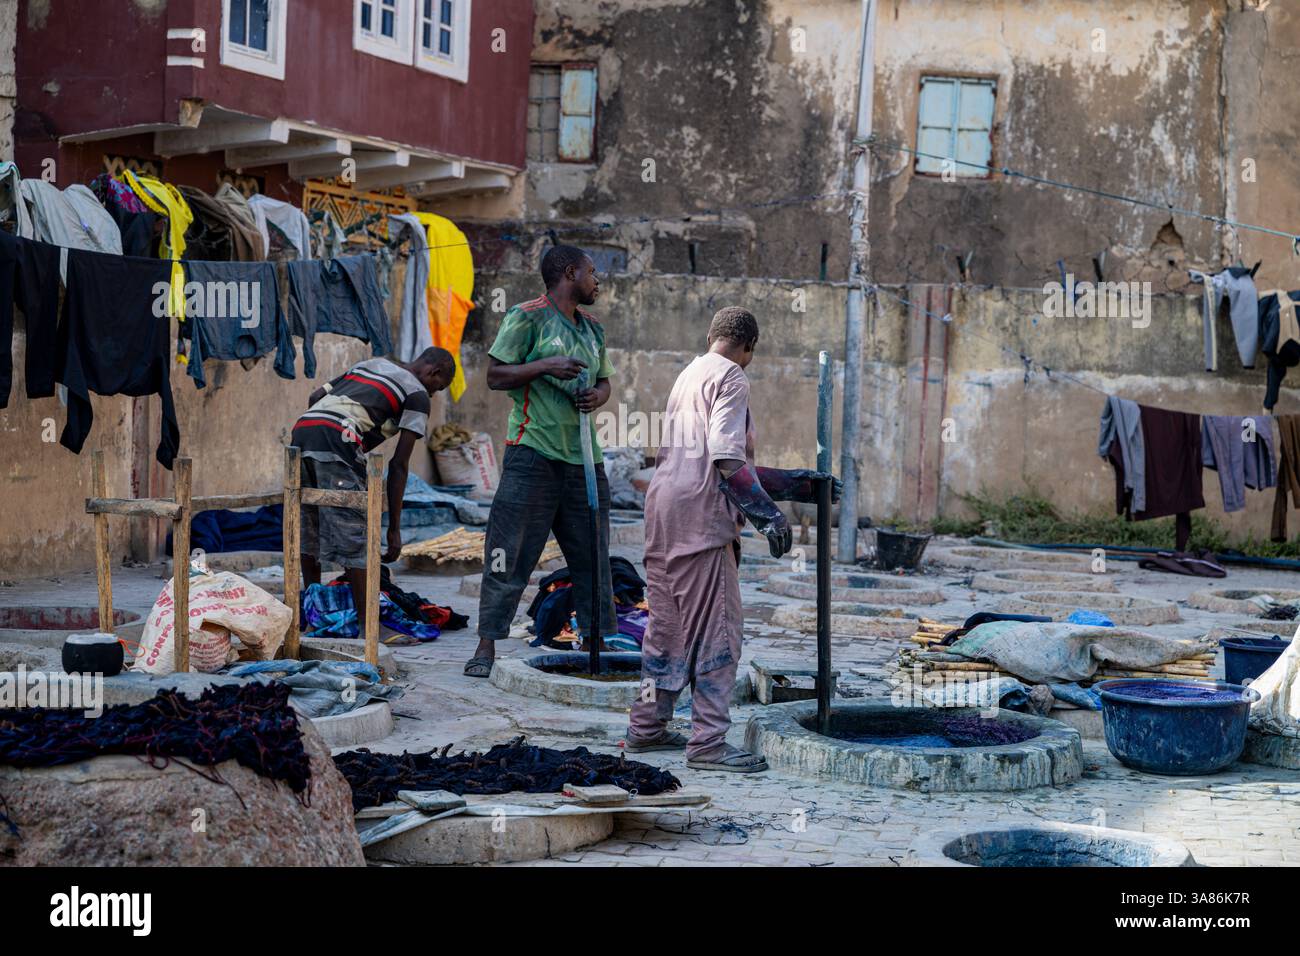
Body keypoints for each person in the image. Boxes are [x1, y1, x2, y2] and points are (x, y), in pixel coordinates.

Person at [626, 307, 840, 772]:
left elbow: (711, 459)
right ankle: (707, 744)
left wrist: (796, 484)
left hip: (663, 514)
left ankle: (645, 729)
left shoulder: (690, 373)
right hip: (700, 522)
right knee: (718, 633)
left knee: (666, 634)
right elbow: (726, 457)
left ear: (712, 336)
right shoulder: (733, 378)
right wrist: (767, 516)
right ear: (750, 347)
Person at [465, 244, 617, 677]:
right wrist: (545, 365)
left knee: (593, 555)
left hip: (585, 460)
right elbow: (495, 375)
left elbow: (605, 383)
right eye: (591, 272)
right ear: (570, 273)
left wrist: (597, 397)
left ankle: (596, 642)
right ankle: (486, 644)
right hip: (532, 453)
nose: (597, 280)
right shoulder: (526, 316)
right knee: (507, 552)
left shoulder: (593, 329)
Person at [291, 347, 455, 628]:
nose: (432, 395)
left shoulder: (373, 363)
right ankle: (367, 631)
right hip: (338, 439)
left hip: (302, 431)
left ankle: (310, 615)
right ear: (434, 372)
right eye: (437, 388)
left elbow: (316, 396)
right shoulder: (416, 394)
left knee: (309, 526)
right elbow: (400, 465)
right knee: (355, 537)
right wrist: (394, 530)